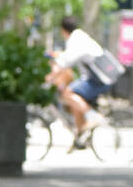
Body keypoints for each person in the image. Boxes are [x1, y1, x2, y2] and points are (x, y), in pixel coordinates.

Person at [45, 15, 109, 145]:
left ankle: (93, 117)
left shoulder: (75, 40)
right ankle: (80, 135)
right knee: (76, 96)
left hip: (97, 79)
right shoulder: (80, 37)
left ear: (63, 30)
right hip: (99, 77)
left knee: (67, 93)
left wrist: (50, 77)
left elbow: (65, 61)